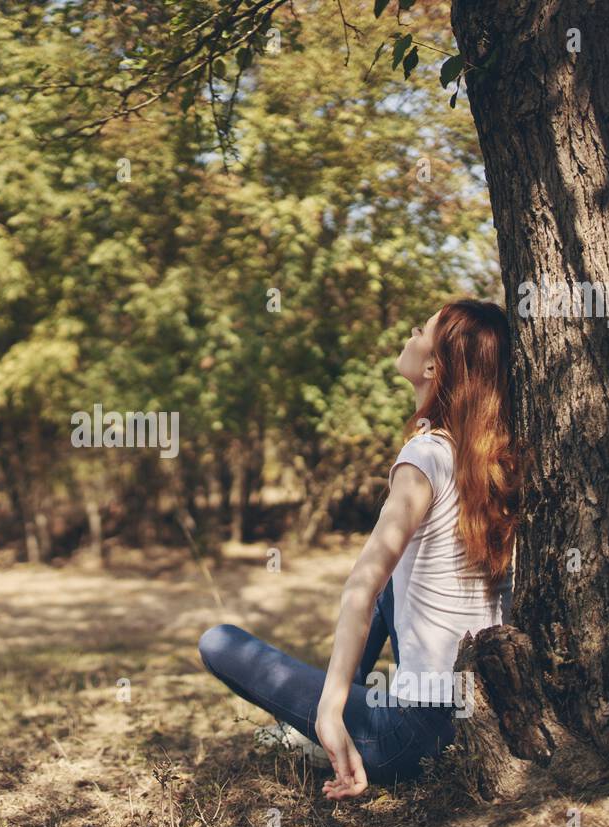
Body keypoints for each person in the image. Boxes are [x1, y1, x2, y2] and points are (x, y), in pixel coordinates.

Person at [198, 299, 519, 798]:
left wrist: (327, 711)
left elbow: (361, 586)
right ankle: (341, 710)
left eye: (420, 329)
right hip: (484, 711)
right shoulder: (491, 460)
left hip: (411, 738)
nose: (409, 334)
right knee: (397, 584)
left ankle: (330, 727)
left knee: (218, 641)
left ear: (434, 366)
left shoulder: (426, 456)